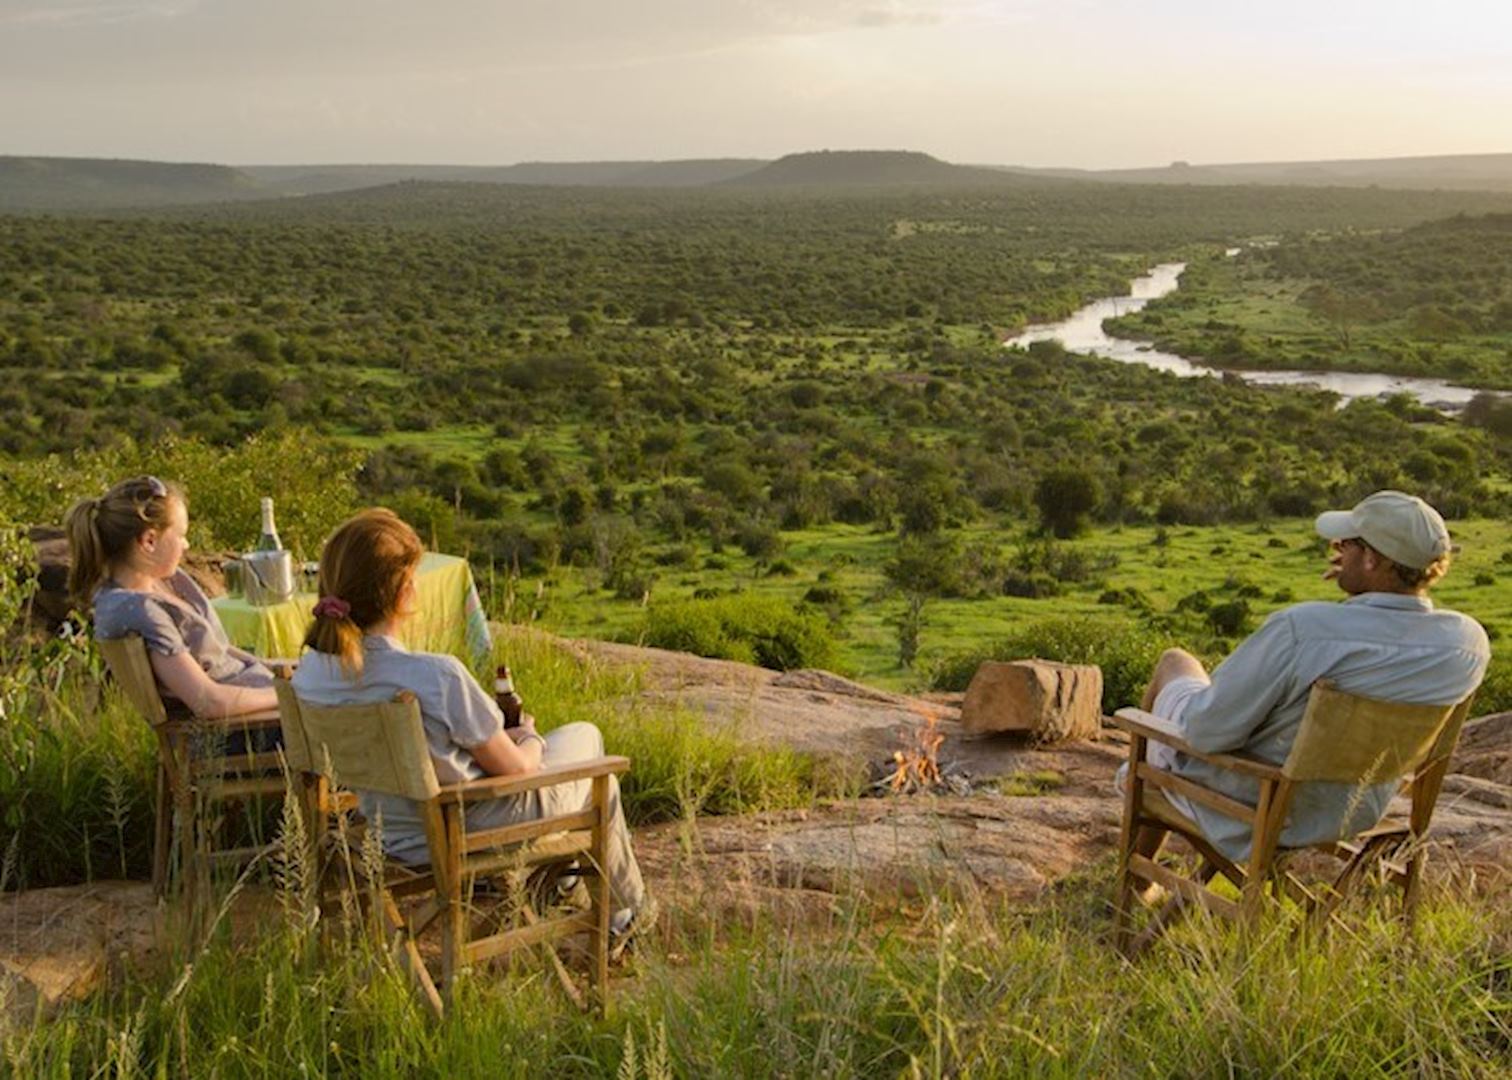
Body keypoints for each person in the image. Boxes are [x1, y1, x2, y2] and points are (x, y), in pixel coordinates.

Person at [289, 508, 649, 941]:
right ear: (404, 592)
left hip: (389, 832)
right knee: (594, 757)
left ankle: (567, 887)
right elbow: (515, 770)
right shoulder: (433, 675)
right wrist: (529, 737)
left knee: (577, 741)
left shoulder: (309, 676)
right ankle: (626, 912)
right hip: (464, 827)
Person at [1129, 489, 1489, 865]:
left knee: (1175, 663)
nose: (1336, 550)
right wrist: (1356, 600)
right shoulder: (1467, 644)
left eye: (1346, 544)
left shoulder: (1302, 629)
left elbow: (1206, 732)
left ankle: (1137, 879)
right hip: (1354, 811)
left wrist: (1341, 611)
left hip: (1261, 805)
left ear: (1371, 558)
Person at [66, 475, 278, 722]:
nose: (186, 545)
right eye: (181, 535)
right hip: (246, 726)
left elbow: (217, 653)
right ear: (149, 541)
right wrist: (289, 696)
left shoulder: (163, 581)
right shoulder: (138, 610)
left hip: (260, 697)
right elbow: (209, 702)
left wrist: (279, 671)